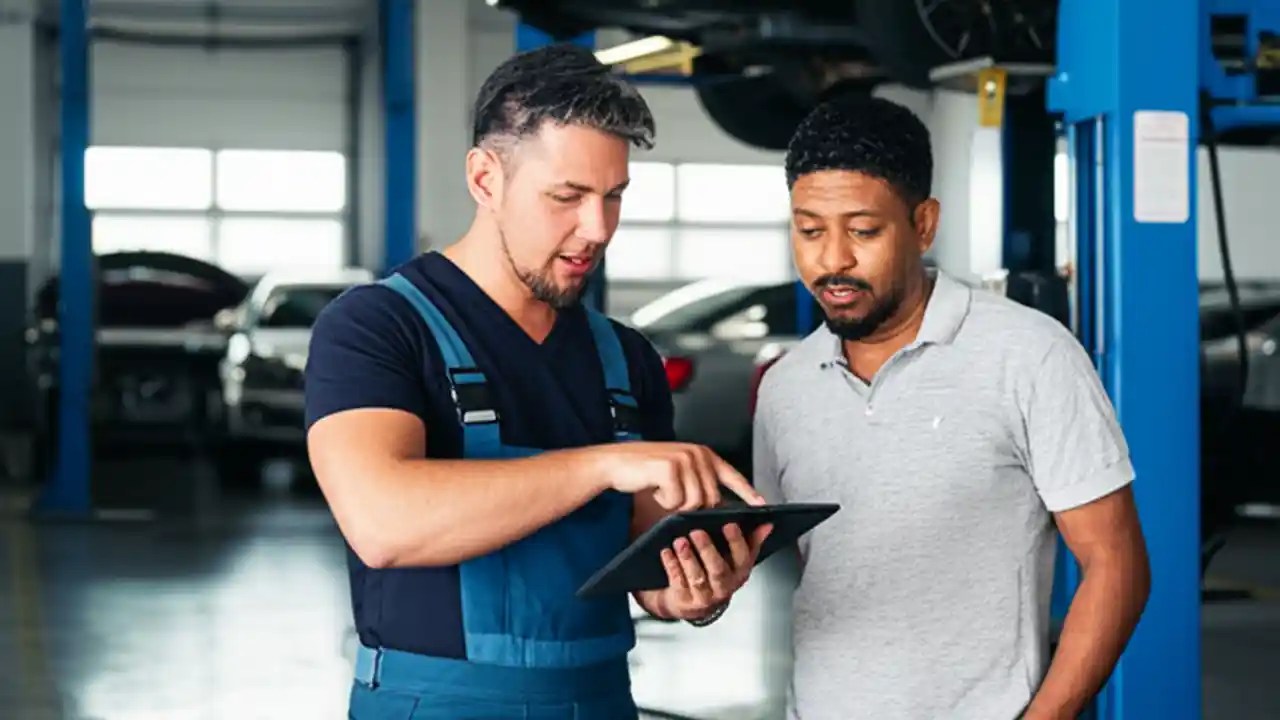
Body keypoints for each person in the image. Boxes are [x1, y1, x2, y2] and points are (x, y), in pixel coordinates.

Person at [304, 44, 772, 719]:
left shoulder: (626, 359)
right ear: (485, 178)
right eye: (568, 196)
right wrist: (605, 464)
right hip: (434, 705)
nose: (597, 228)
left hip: (600, 699)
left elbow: (653, 572)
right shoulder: (376, 328)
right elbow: (383, 521)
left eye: (614, 197)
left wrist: (692, 594)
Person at [752, 94, 1151, 720]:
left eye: (863, 231)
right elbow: (818, 564)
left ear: (924, 224)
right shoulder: (785, 387)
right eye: (809, 231)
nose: (833, 259)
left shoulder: (1029, 355)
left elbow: (1116, 561)